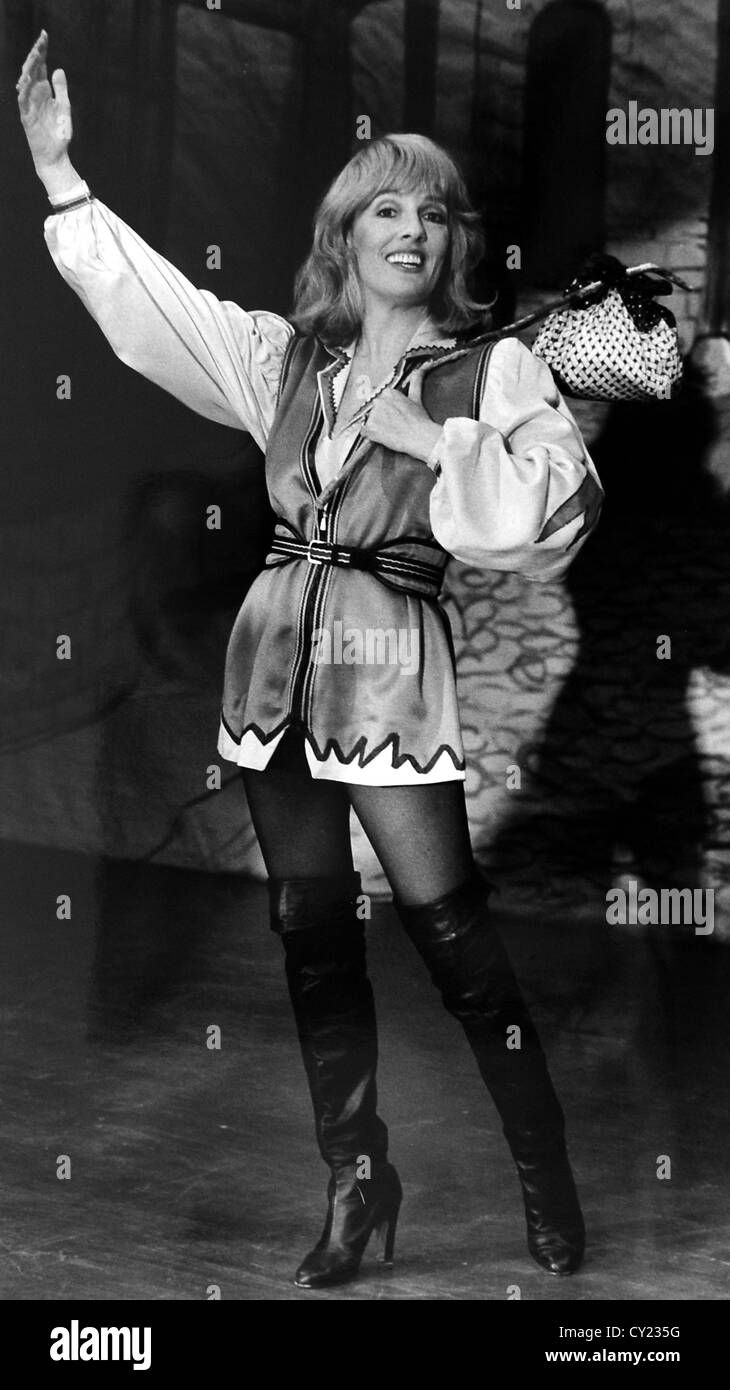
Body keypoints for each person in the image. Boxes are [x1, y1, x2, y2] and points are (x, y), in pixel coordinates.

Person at [18, 30, 603, 1290]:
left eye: (432, 213)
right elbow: (157, 312)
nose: (410, 229)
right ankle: (357, 1178)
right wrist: (66, 183)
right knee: (309, 928)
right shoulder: (286, 359)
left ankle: (542, 1168)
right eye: (383, 207)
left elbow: (548, 518)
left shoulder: (485, 369)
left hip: (388, 668)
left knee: (451, 936)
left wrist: (434, 442)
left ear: (452, 244)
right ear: (344, 236)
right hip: (276, 667)